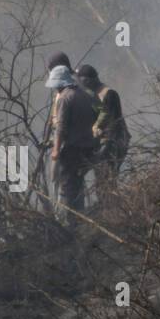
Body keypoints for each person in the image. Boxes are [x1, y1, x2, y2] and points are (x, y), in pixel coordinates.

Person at [45, 64, 96, 219]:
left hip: (71, 149)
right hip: (87, 147)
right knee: (78, 183)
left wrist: (55, 151)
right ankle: (80, 216)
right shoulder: (84, 94)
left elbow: (61, 128)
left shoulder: (65, 98)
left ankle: (70, 220)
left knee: (67, 185)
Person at [74, 64, 129, 197]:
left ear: (88, 79)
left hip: (113, 142)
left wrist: (104, 149)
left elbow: (113, 124)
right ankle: (107, 209)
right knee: (101, 181)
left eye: (81, 80)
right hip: (102, 143)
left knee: (107, 180)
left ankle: (112, 211)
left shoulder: (108, 94)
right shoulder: (90, 95)